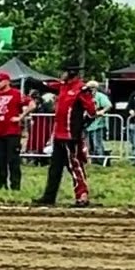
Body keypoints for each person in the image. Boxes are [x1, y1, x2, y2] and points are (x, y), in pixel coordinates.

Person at [34, 66, 97, 208]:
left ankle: (82, 195)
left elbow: (92, 110)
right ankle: (49, 196)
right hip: (59, 134)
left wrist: (83, 123)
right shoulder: (62, 86)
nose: (61, 74)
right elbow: (46, 86)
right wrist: (32, 81)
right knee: (54, 168)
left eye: (64, 72)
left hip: (71, 135)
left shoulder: (81, 89)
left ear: (71, 73)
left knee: (75, 166)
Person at [0, 71, 34, 190]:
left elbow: (32, 104)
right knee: (0, 160)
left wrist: (21, 116)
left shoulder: (16, 94)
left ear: (7, 81)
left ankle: (15, 185)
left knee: (13, 160)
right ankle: (2, 184)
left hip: (12, 132)